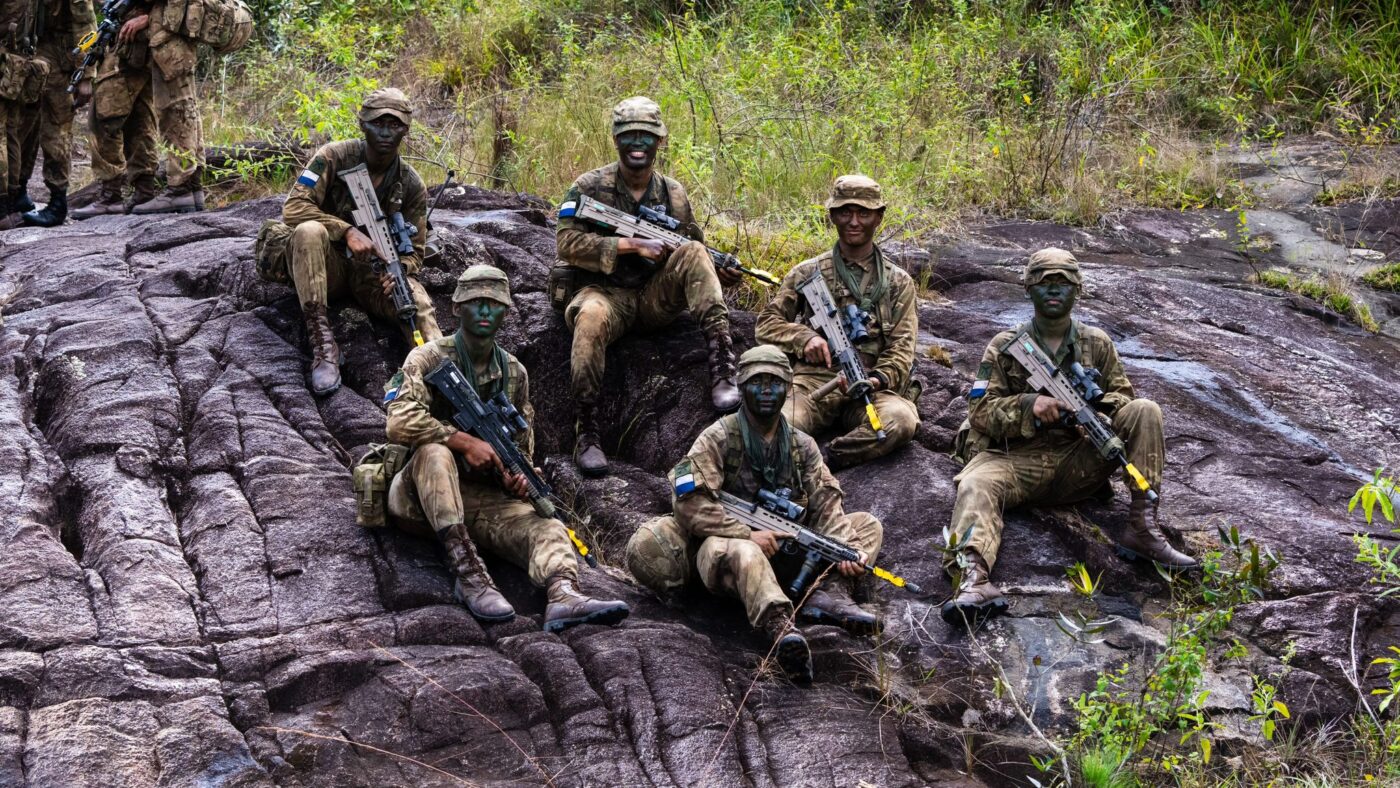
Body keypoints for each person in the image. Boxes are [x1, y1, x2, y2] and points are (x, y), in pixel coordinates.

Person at [943, 247, 1196, 627]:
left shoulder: (1096, 343)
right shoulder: (1004, 346)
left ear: (1078, 289)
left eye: (1064, 283)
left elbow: (1123, 398)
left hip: (1078, 460)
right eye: (1045, 283)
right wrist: (1031, 406)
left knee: (1146, 409)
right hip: (1017, 461)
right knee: (977, 483)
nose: (1054, 291)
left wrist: (1096, 413)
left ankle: (1143, 528)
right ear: (1028, 288)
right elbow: (979, 411)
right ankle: (973, 578)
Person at [384, 265, 630, 633]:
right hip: (418, 496)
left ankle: (564, 593)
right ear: (457, 308)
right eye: (475, 303)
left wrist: (515, 477)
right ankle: (469, 576)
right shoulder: (428, 358)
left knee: (546, 524)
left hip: (480, 498)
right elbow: (398, 421)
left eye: (493, 304)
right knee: (434, 453)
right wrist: (462, 441)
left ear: (506, 312)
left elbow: (520, 447)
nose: (485, 312)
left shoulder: (513, 372)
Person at [626, 345, 884, 683]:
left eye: (774, 382)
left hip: (786, 544)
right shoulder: (718, 437)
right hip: (725, 551)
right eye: (756, 382)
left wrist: (847, 549)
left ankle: (826, 593)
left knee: (866, 527)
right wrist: (747, 533)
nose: (766, 390)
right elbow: (688, 504)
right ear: (742, 386)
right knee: (746, 552)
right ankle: (779, 627)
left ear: (788, 388)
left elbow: (826, 502)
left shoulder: (802, 446)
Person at [553, 96, 742, 478]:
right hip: (604, 294)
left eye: (646, 136)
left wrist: (716, 271)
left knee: (693, 251)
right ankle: (587, 430)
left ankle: (722, 364)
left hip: (654, 297)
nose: (637, 143)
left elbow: (691, 248)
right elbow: (566, 243)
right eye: (629, 135)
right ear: (615, 139)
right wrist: (629, 244)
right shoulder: (588, 187)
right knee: (589, 319)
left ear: (660, 141)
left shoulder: (673, 194)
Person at [264, 87, 441, 395]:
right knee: (308, 230)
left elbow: (417, 253)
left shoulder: (410, 184)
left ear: (406, 129)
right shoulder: (334, 156)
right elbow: (293, 208)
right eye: (378, 123)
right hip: (323, 266)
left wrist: (399, 270)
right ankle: (323, 346)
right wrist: (345, 230)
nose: (386, 132)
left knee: (417, 301)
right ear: (362, 123)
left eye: (395, 125)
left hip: (371, 275)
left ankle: (445, 371)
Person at [755, 175, 920, 469]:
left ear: (879, 217)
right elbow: (766, 324)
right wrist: (805, 338)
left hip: (869, 387)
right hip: (814, 382)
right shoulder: (808, 273)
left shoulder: (898, 282)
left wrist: (877, 379)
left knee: (900, 421)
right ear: (832, 216)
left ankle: (829, 460)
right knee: (778, 424)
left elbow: (902, 350)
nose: (854, 221)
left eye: (864, 213)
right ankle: (799, 457)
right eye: (845, 212)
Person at [70, 1, 160, 219]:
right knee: (139, 115)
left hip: (135, 40)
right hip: (138, 41)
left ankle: (111, 196)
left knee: (104, 116)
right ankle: (144, 192)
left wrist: (149, 18)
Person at [13, 0, 95, 226]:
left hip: (61, 59)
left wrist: (86, 73)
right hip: (29, 55)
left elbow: (87, 25)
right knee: (23, 126)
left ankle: (57, 202)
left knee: (56, 130)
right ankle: (18, 192)